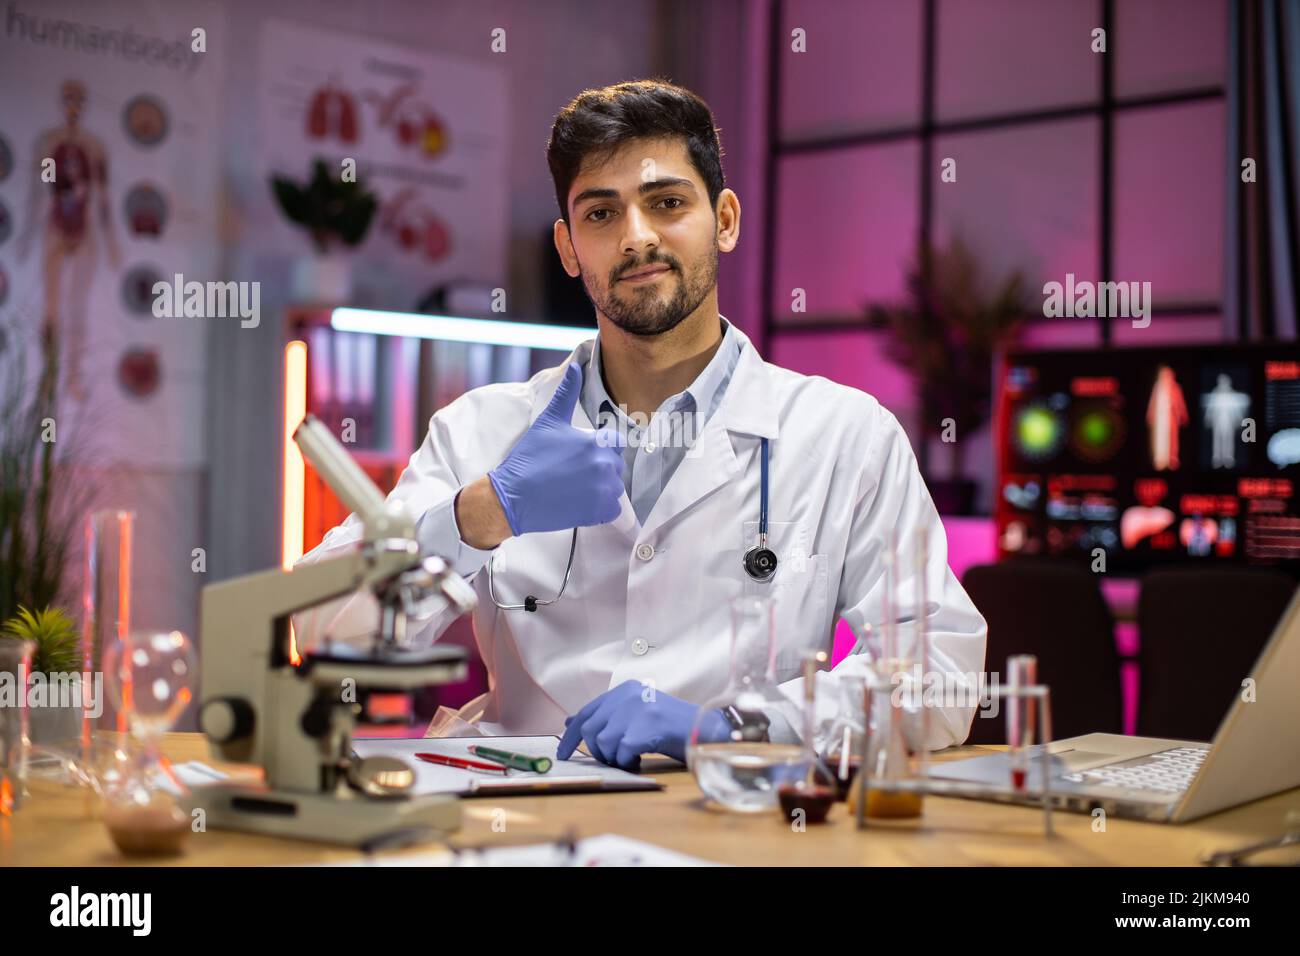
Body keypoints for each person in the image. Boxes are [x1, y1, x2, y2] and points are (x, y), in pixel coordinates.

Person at [297, 79, 987, 771]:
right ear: (568, 249)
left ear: (724, 219)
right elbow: (322, 629)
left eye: (667, 203)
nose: (637, 237)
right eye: (601, 214)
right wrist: (481, 513)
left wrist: (738, 726)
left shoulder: (845, 435)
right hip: (525, 820)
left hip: (736, 822)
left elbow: (940, 675)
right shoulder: (482, 428)